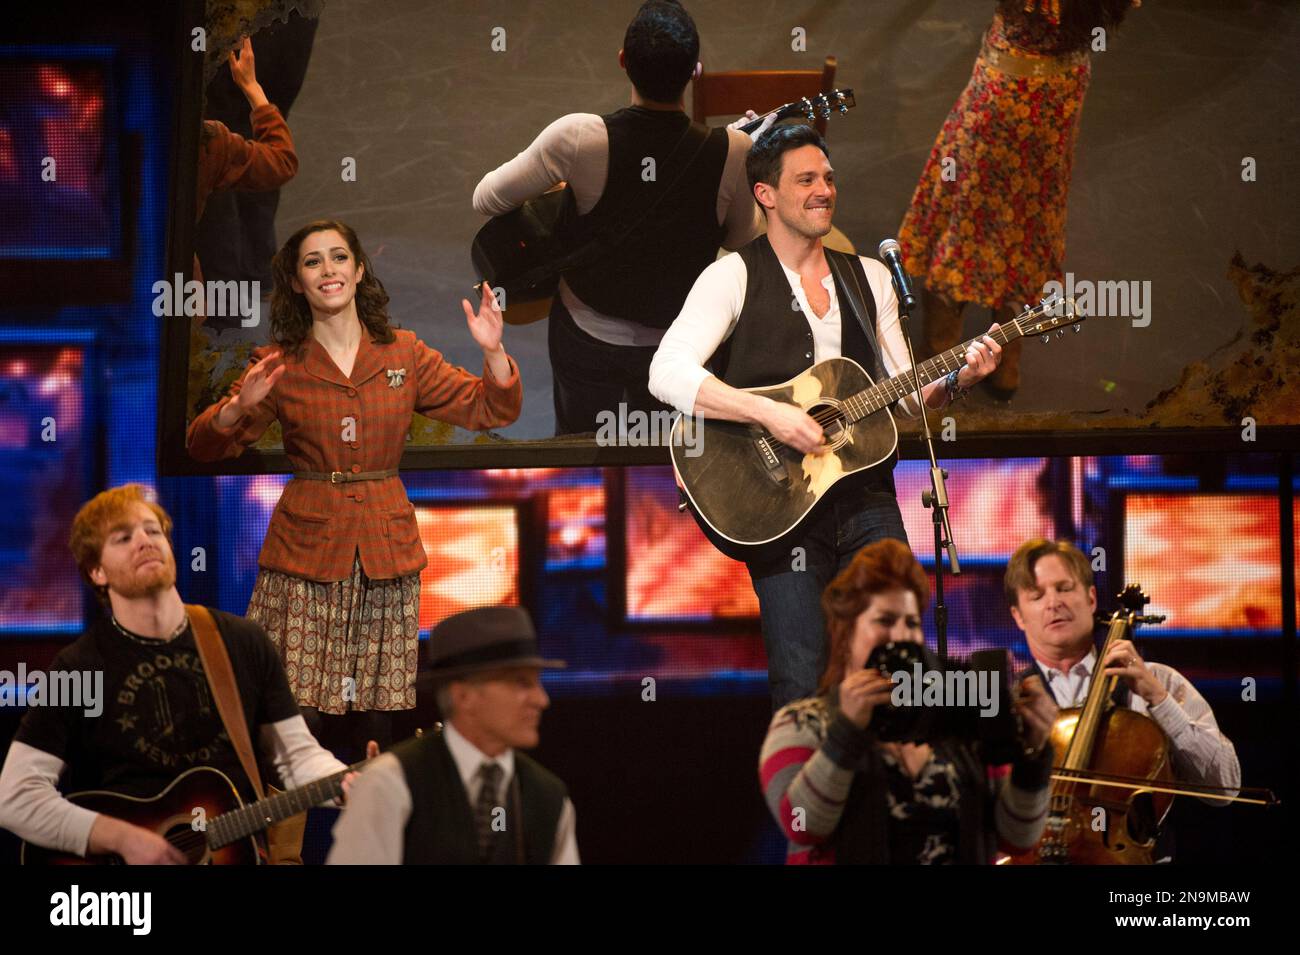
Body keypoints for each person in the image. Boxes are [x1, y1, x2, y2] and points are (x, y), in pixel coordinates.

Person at [648, 122, 1005, 709]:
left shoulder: (868, 277)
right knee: (803, 679)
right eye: (806, 179)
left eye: (829, 178)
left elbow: (910, 393)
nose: (824, 191)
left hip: (865, 495)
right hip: (777, 505)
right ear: (766, 195)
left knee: (900, 668)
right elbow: (666, 371)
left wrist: (958, 377)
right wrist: (769, 415)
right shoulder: (733, 275)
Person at [186, 219, 522, 759]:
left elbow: (489, 407)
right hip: (306, 555)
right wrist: (235, 410)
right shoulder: (278, 364)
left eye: (338, 257)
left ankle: (373, 833)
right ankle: (289, 844)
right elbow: (204, 447)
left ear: (359, 269)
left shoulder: (403, 354)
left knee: (377, 717)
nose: (328, 270)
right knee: (299, 715)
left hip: (385, 551)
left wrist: (493, 352)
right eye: (312, 261)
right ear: (297, 282)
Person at [0, 484, 354, 864]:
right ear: (97, 571)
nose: (144, 541)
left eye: (153, 531)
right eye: (123, 537)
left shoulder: (242, 641)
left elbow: (297, 758)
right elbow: (16, 796)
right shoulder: (74, 668)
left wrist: (349, 785)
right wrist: (121, 839)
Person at [472, 0, 763, 435]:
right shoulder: (733, 151)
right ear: (695, 71)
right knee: (669, 457)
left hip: (587, 335)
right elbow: (743, 239)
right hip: (681, 345)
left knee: (581, 449)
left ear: (623, 62)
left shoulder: (578, 139)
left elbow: (486, 199)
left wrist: (565, 186)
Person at [758, 539, 1058, 864]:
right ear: (846, 636)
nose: (901, 635)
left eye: (912, 623)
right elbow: (802, 825)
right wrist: (847, 732)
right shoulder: (802, 724)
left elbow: (1017, 839)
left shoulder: (962, 722)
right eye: (885, 621)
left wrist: (1033, 755)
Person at [898, 0, 1139, 398]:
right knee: (1033, 211)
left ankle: (941, 350)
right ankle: (1007, 362)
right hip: (1062, 86)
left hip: (1008, 85)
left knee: (968, 206)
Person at [1005, 538, 1241, 838]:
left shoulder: (1157, 680)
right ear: (1018, 616)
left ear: (1091, 598)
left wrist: (1159, 699)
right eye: (1037, 595)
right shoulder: (1010, 700)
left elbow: (1225, 787)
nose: (1054, 603)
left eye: (1064, 588)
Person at [327, 606, 578, 864]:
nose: (541, 699)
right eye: (522, 683)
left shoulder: (549, 797)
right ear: (464, 696)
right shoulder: (391, 782)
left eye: (538, 683)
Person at [195, 36, 299, 297]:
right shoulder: (213, 143)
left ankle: (237, 281)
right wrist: (252, 86)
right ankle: (248, 277)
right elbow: (281, 161)